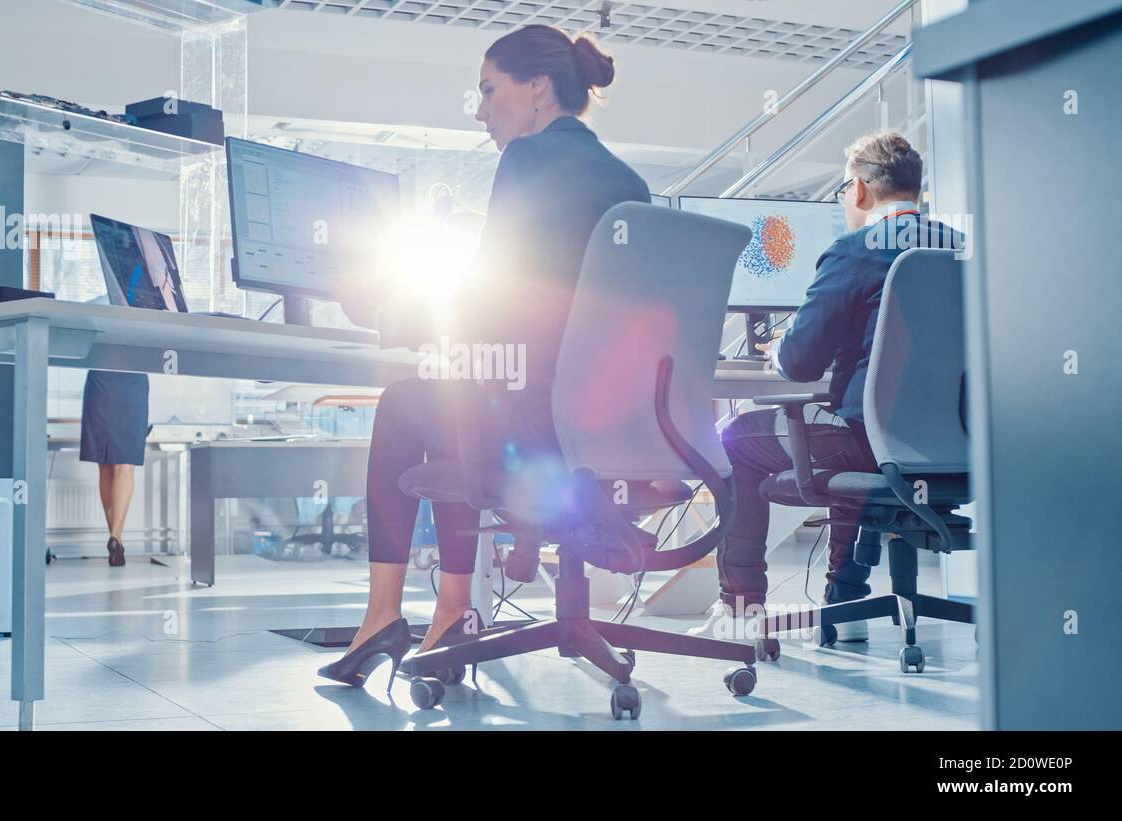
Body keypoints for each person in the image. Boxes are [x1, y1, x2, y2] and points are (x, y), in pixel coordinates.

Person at [319, 24, 651, 688]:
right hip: (608, 437)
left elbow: (487, 300)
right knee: (457, 401)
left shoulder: (527, 159)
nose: (479, 110)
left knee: (406, 404)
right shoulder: (631, 184)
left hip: (538, 426)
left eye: (488, 90)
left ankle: (389, 614)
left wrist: (386, 314)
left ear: (536, 89)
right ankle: (448, 612)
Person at [693, 130, 964, 641]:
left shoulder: (853, 251)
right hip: (952, 449)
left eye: (844, 188)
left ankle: (740, 610)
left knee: (732, 438)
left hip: (867, 442)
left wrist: (779, 347)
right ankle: (847, 601)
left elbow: (798, 362)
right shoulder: (961, 249)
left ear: (859, 189)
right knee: (852, 434)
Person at [80, 369, 151, 567]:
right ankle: (115, 538)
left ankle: (116, 539)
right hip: (132, 383)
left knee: (105, 466)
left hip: (100, 383)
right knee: (125, 465)